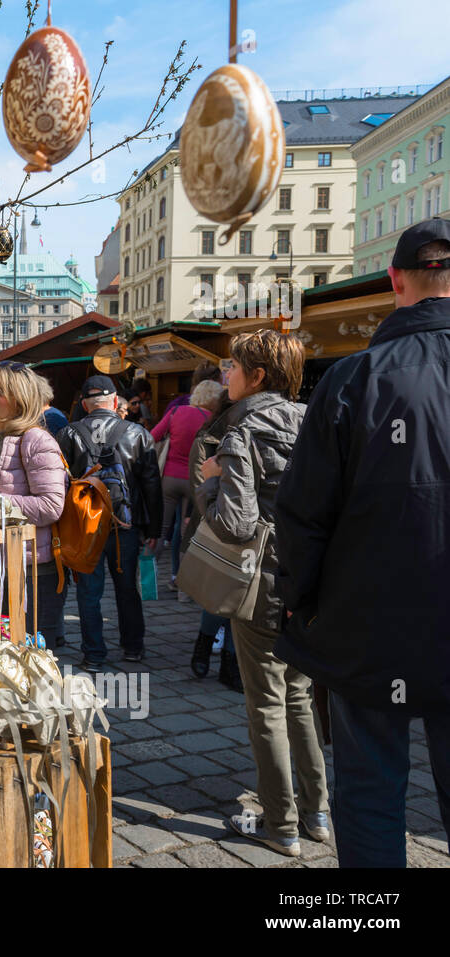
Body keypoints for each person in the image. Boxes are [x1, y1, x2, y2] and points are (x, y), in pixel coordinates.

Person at [276, 219, 450, 868]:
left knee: (371, 795)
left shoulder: (353, 379)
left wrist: (301, 603)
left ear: (395, 281)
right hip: (380, 623)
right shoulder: (352, 379)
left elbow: (302, 513)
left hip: (367, 625)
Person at [193, 329, 327, 859]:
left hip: (264, 580)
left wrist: (210, 479)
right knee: (299, 696)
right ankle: (317, 813)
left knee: (267, 703)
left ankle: (281, 825)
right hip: (313, 582)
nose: (225, 373)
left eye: (232, 366)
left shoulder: (243, 430)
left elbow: (236, 523)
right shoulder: (315, 420)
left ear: (257, 376)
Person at [57, 375, 162, 671]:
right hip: (124, 525)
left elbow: (60, 485)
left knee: (88, 592)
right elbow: (152, 485)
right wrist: (154, 529)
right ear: (116, 402)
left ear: (84, 405)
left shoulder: (67, 433)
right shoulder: (138, 434)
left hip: (85, 527)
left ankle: (93, 654)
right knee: (127, 587)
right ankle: (133, 647)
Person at [0, 365, 66, 646]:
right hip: (5, 565)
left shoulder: (36, 440)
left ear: (20, 398)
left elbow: (51, 505)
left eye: (0, 392)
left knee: (33, 655)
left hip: (33, 572)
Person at [182, 383, 239, 685]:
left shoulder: (253, 435)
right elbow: (197, 484)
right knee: (219, 592)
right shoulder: (208, 437)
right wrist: (215, 513)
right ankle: (204, 645)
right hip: (214, 520)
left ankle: (231, 662)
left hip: (247, 522)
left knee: (239, 595)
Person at [151, 378, 220, 589]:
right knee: (187, 534)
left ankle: (147, 585)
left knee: (159, 532)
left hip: (169, 479)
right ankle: (182, 587)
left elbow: (152, 436)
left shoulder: (176, 412)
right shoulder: (214, 420)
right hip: (196, 481)